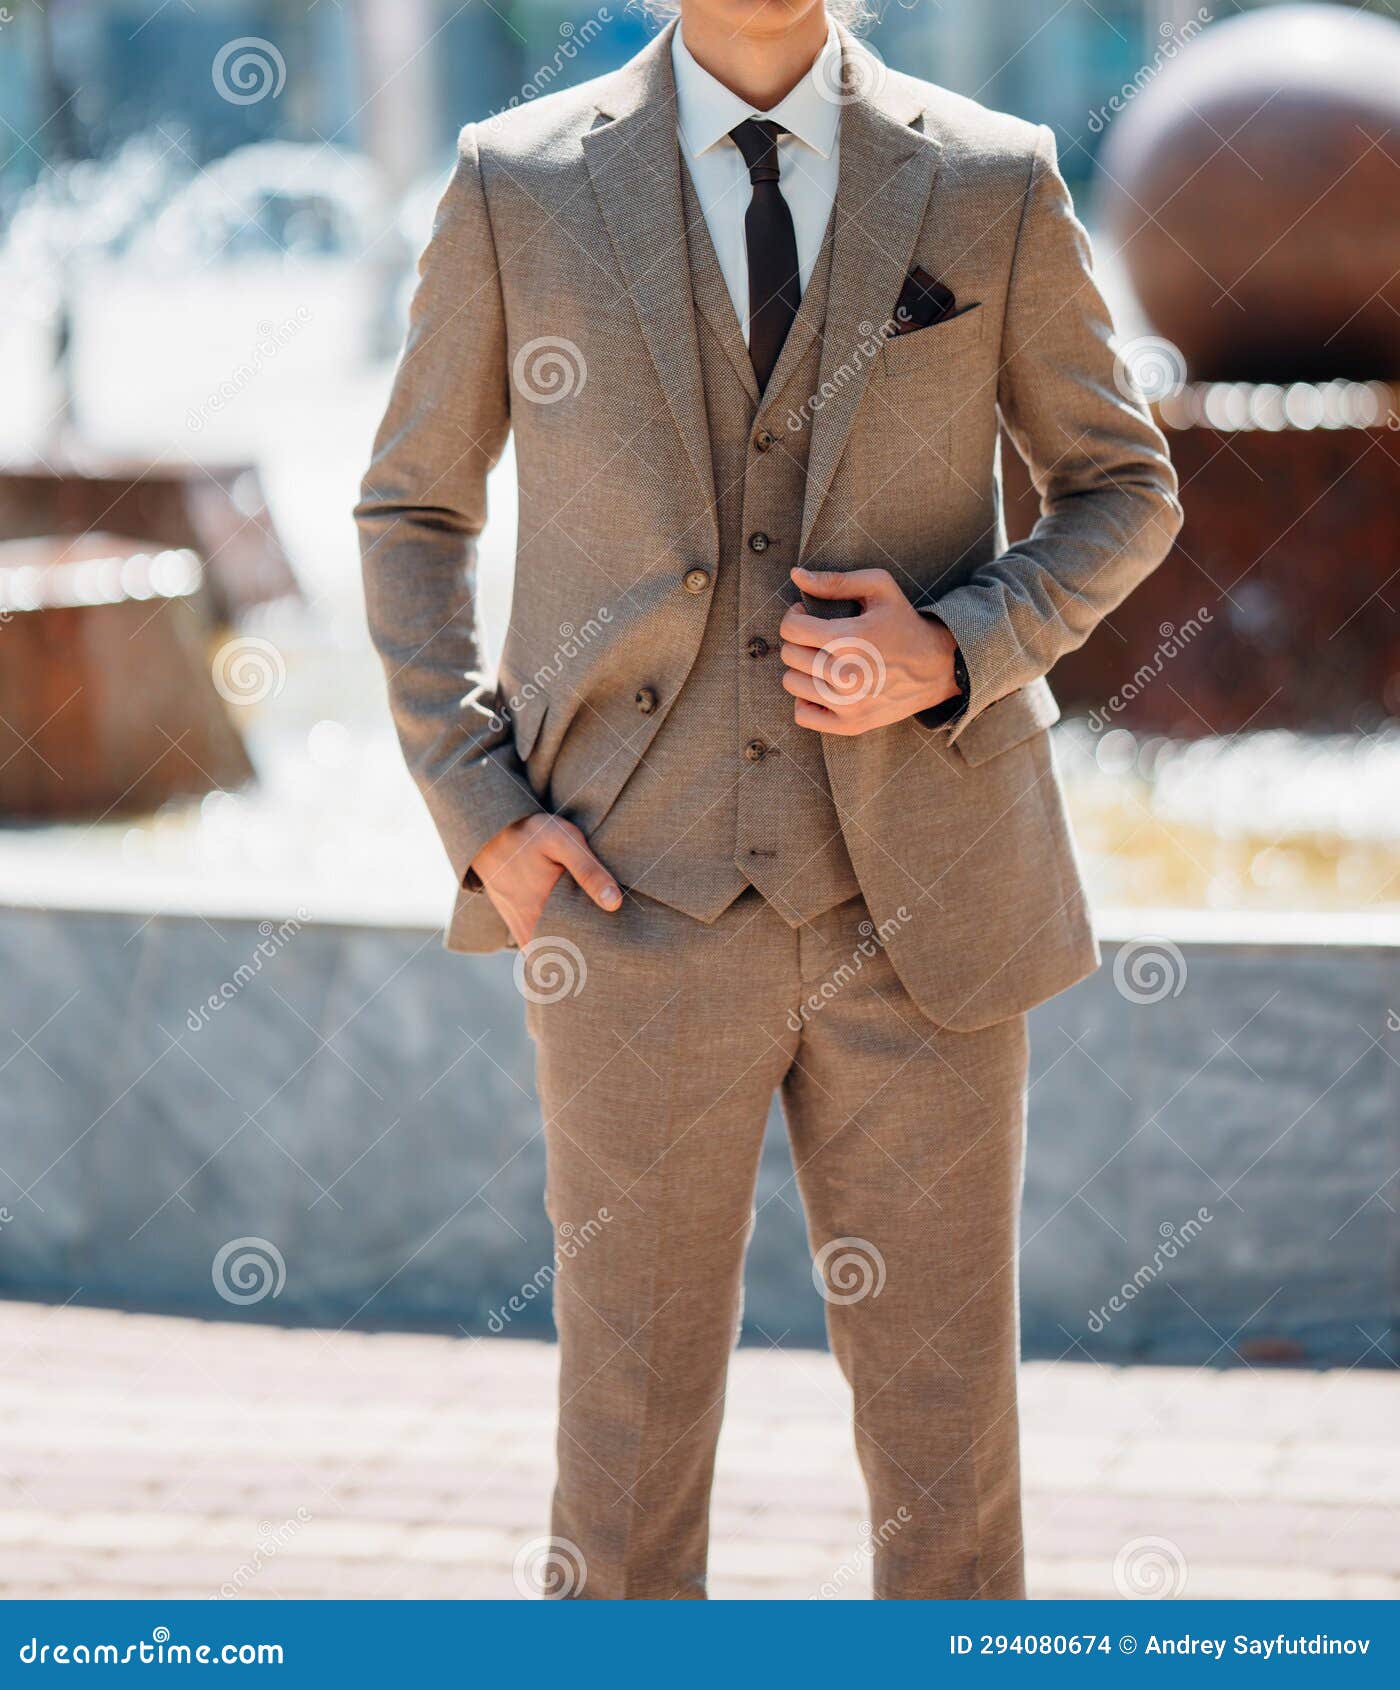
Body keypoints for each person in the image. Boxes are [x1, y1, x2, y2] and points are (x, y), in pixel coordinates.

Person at [357, 0, 1181, 1600]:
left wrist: (952, 646)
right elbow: (412, 506)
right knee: (624, 1471)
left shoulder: (990, 178)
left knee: (949, 1477)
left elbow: (1123, 487)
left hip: (926, 903)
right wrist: (477, 806)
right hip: (623, 891)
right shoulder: (514, 181)